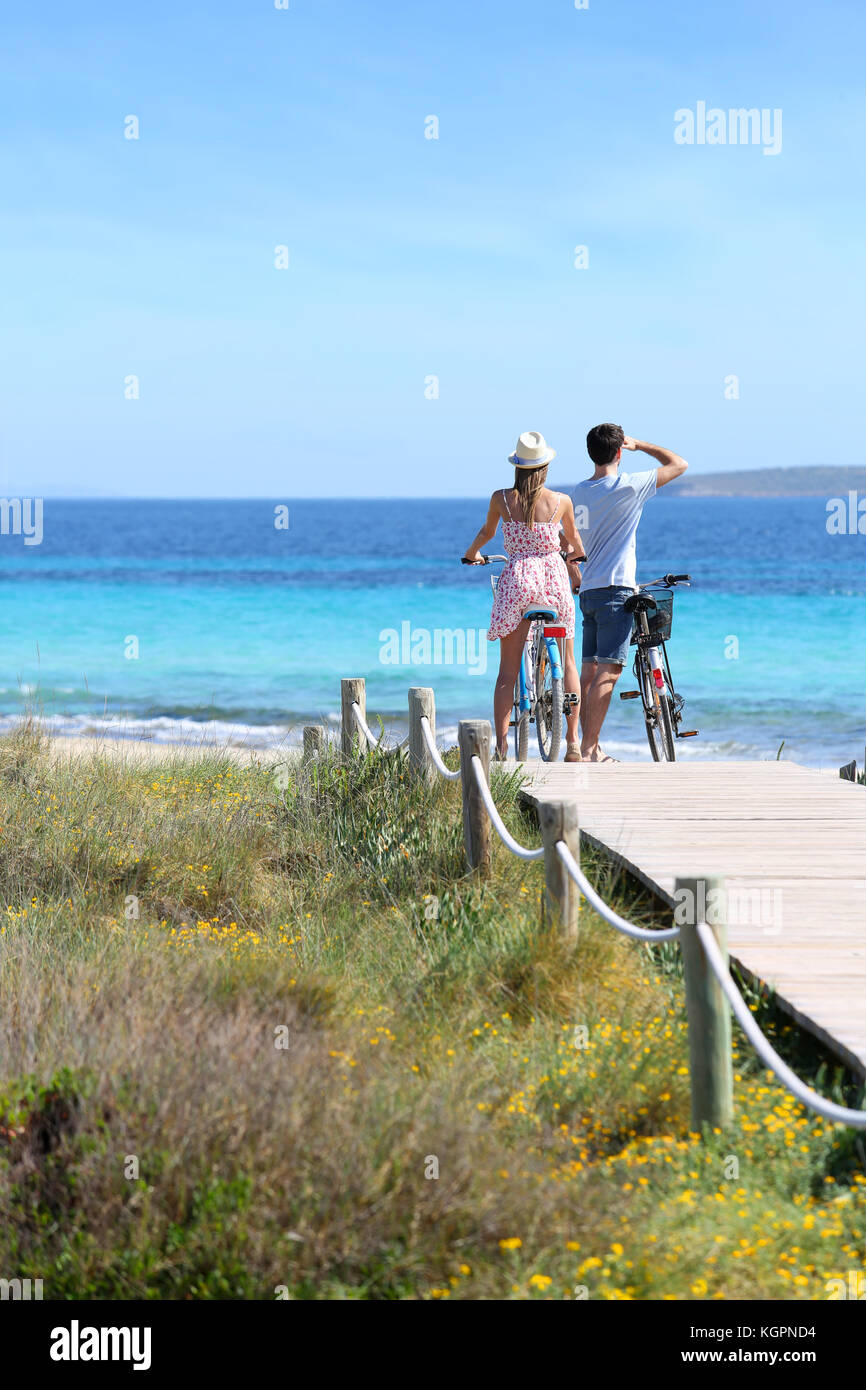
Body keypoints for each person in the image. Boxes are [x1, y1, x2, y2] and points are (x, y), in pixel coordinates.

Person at [463, 431, 586, 762]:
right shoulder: (561, 502)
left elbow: (486, 534)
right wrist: (577, 553)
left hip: (518, 582)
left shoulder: (501, 499)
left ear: (517, 466)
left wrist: (472, 553)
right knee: (570, 660)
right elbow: (573, 542)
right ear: (545, 467)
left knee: (507, 673)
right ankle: (572, 741)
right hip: (555, 584)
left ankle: (502, 747)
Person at [572, 424, 688, 762]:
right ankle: (591, 748)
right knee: (609, 672)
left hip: (589, 592)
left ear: (590, 452)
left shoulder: (579, 492)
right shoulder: (629, 485)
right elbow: (679, 464)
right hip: (616, 590)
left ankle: (583, 743)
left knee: (589, 673)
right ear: (619, 452)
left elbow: (573, 541)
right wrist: (641, 444)